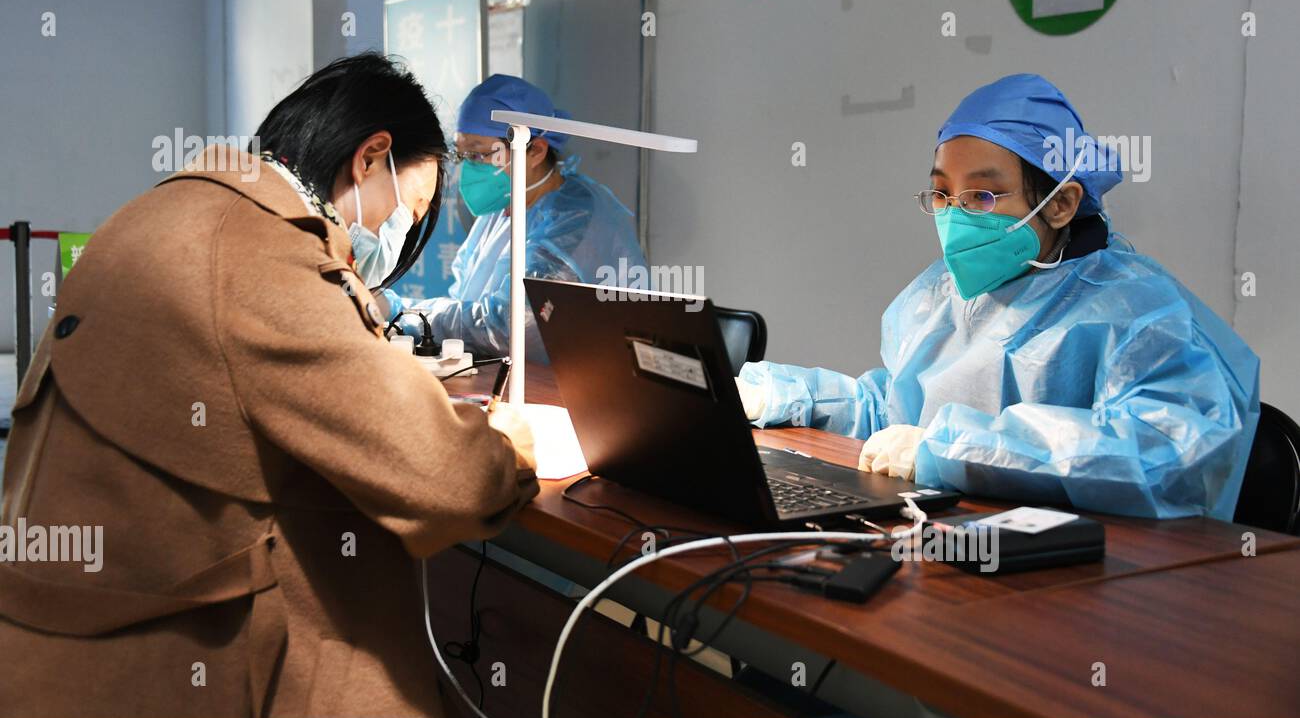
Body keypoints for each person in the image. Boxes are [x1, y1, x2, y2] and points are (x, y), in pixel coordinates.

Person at [0, 53, 539, 718]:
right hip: (152, 674)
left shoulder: (157, 214)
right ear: (370, 158)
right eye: (416, 205)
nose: (396, 239)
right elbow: (446, 476)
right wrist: (509, 447)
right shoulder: (261, 250)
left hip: (56, 659)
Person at [737, 74, 1260, 520]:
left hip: (1093, 582)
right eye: (942, 194)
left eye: (982, 196)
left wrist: (949, 450)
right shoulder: (938, 298)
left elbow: (1164, 453)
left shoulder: (1136, 313)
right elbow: (900, 416)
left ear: (1060, 205)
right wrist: (787, 396)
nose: (955, 214)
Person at [383, 74, 648, 360]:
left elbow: (512, 326)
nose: (468, 171)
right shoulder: (501, 209)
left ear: (534, 151)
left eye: (478, 155)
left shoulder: (577, 219)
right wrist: (400, 310)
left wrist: (406, 314)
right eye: (462, 156)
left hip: (570, 389)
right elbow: (469, 305)